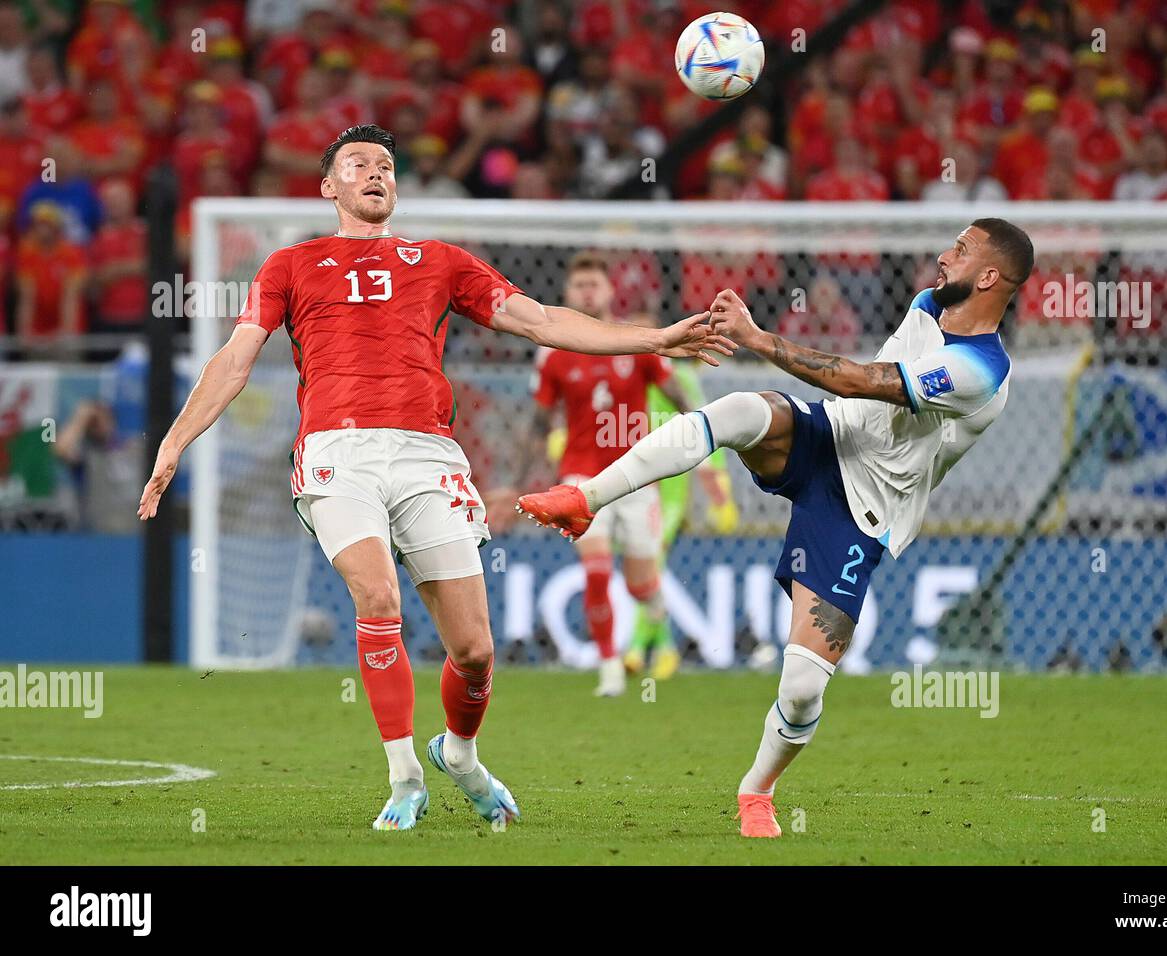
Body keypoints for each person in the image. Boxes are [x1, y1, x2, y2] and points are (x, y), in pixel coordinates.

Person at [137, 124, 730, 832]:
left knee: (475, 652)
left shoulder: (441, 261)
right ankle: (403, 774)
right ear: (328, 186)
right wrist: (174, 442)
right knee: (377, 592)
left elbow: (540, 321)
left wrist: (653, 336)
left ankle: (461, 755)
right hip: (337, 451)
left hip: (427, 453)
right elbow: (234, 361)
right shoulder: (290, 264)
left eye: (385, 164)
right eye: (357, 165)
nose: (374, 173)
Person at [518, 219, 1034, 838]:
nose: (942, 256)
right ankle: (586, 497)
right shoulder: (928, 304)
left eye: (960, 249)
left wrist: (758, 339)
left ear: (989, 276)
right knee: (740, 409)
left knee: (800, 690)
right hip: (831, 434)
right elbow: (854, 398)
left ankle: (756, 790)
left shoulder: (980, 371)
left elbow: (862, 380)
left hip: (863, 510)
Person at [518, 252, 727, 694]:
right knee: (596, 571)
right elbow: (538, 423)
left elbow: (677, 397)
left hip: (635, 480)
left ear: (611, 290)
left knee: (640, 583)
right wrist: (522, 480)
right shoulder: (552, 354)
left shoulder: (637, 340)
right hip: (579, 479)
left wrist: (713, 442)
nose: (587, 292)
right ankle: (610, 668)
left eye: (594, 284)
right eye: (579, 286)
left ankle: (657, 616)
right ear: (566, 294)